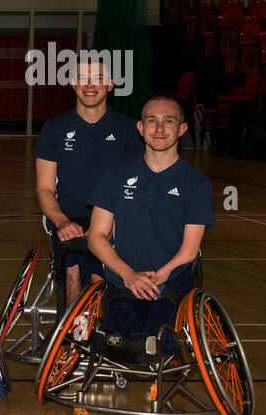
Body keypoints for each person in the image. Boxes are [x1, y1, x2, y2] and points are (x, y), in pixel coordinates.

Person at [87, 95, 214, 340]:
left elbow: (190, 250)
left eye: (168, 121)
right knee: (116, 343)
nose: (158, 129)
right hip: (122, 280)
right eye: (151, 121)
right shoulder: (116, 175)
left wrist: (161, 275)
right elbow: (97, 236)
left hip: (169, 281)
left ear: (182, 129)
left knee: (156, 340)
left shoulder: (196, 184)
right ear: (140, 127)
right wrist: (129, 275)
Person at [34, 62, 143, 304]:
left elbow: (138, 185)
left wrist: (116, 223)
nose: (90, 85)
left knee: (98, 274)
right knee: (73, 268)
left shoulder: (129, 130)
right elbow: (44, 188)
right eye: (83, 78)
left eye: (98, 78)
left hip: (113, 220)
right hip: (68, 217)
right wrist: (61, 222)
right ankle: (73, 335)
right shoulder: (55, 129)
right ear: (73, 84)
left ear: (110, 84)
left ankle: (100, 335)